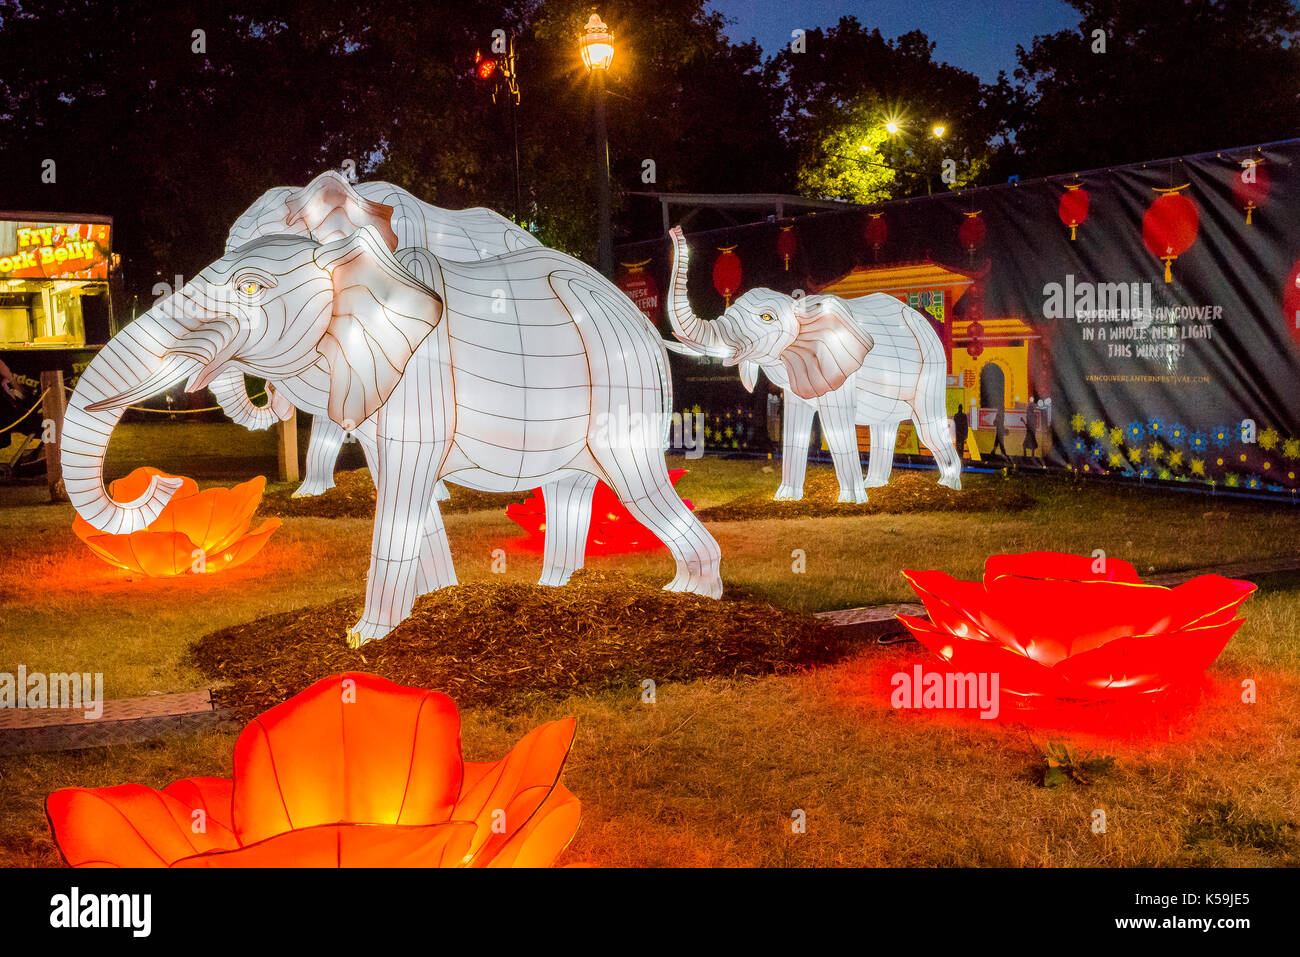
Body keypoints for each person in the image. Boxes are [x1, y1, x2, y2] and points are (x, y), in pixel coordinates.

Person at [1022, 395, 1040, 464]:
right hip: (1032, 431)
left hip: (1030, 432)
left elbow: (1028, 425)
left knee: (1026, 444)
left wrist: (1023, 421)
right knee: (1031, 444)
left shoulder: (1030, 416)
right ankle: (1030, 455)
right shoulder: (1033, 416)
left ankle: (1026, 455)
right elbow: (1034, 424)